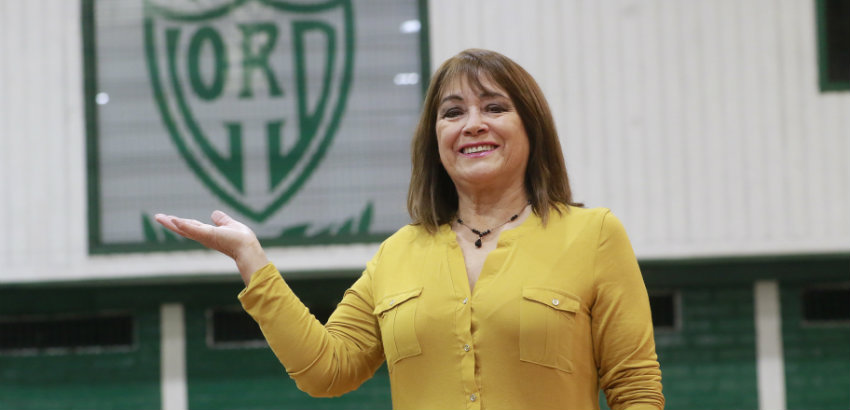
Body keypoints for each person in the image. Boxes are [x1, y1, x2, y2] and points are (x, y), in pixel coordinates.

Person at [156, 48, 664, 410]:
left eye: (495, 108)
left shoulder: (593, 235)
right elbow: (325, 370)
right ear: (435, 139)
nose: (473, 124)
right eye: (453, 113)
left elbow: (635, 388)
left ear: (532, 128)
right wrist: (252, 260)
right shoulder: (398, 253)